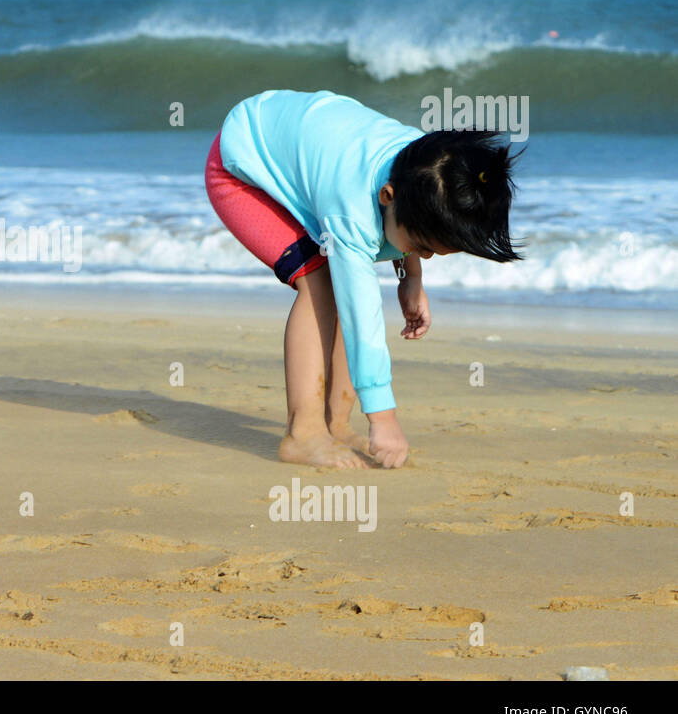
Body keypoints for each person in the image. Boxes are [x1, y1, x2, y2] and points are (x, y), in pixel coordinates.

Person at [204, 89, 523, 469]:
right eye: (422, 246)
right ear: (387, 195)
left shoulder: (426, 166)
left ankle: (334, 425)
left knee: (339, 281)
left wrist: (410, 278)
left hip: (304, 149)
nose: (423, 255)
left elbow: (406, 235)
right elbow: (363, 314)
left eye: (434, 252)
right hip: (241, 166)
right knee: (320, 283)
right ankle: (301, 434)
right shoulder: (352, 210)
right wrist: (383, 417)